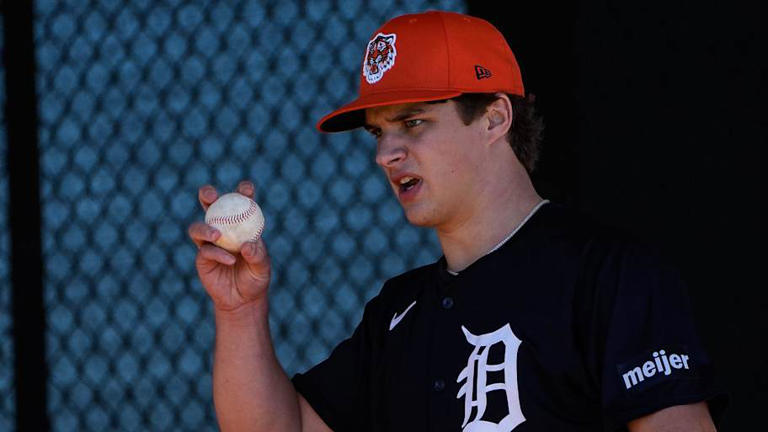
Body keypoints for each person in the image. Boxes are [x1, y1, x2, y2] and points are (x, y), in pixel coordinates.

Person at [187, 10, 727, 432]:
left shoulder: (607, 274)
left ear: (494, 118)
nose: (385, 154)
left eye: (413, 122)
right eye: (378, 133)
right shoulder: (399, 312)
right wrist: (240, 312)